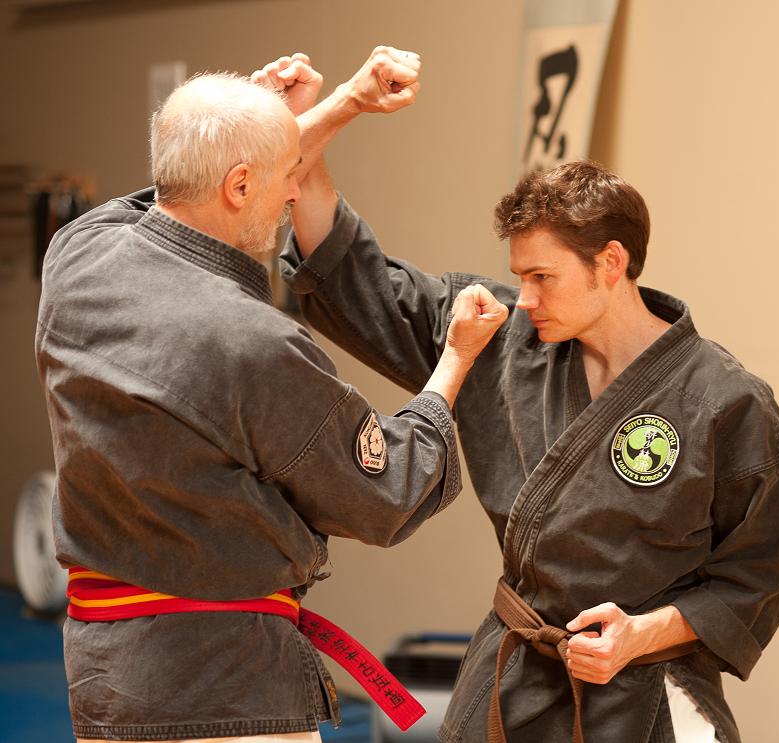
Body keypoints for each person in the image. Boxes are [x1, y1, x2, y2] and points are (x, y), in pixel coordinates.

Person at [35, 48, 508, 743]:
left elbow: (204, 181)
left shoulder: (77, 252)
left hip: (106, 678)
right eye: (285, 178)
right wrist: (454, 359)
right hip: (224, 689)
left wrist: (342, 102)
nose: (294, 195)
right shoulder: (251, 342)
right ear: (238, 185)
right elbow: (389, 488)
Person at [280, 129, 779, 738]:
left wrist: (640, 635)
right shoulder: (500, 340)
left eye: (543, 277)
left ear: (611, 262)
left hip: (642, 697)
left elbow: (759, 574)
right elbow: (355, 281)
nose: (525, 298)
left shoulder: (725, 400)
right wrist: (307, 145)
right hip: (514, 680)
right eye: (518, 276)